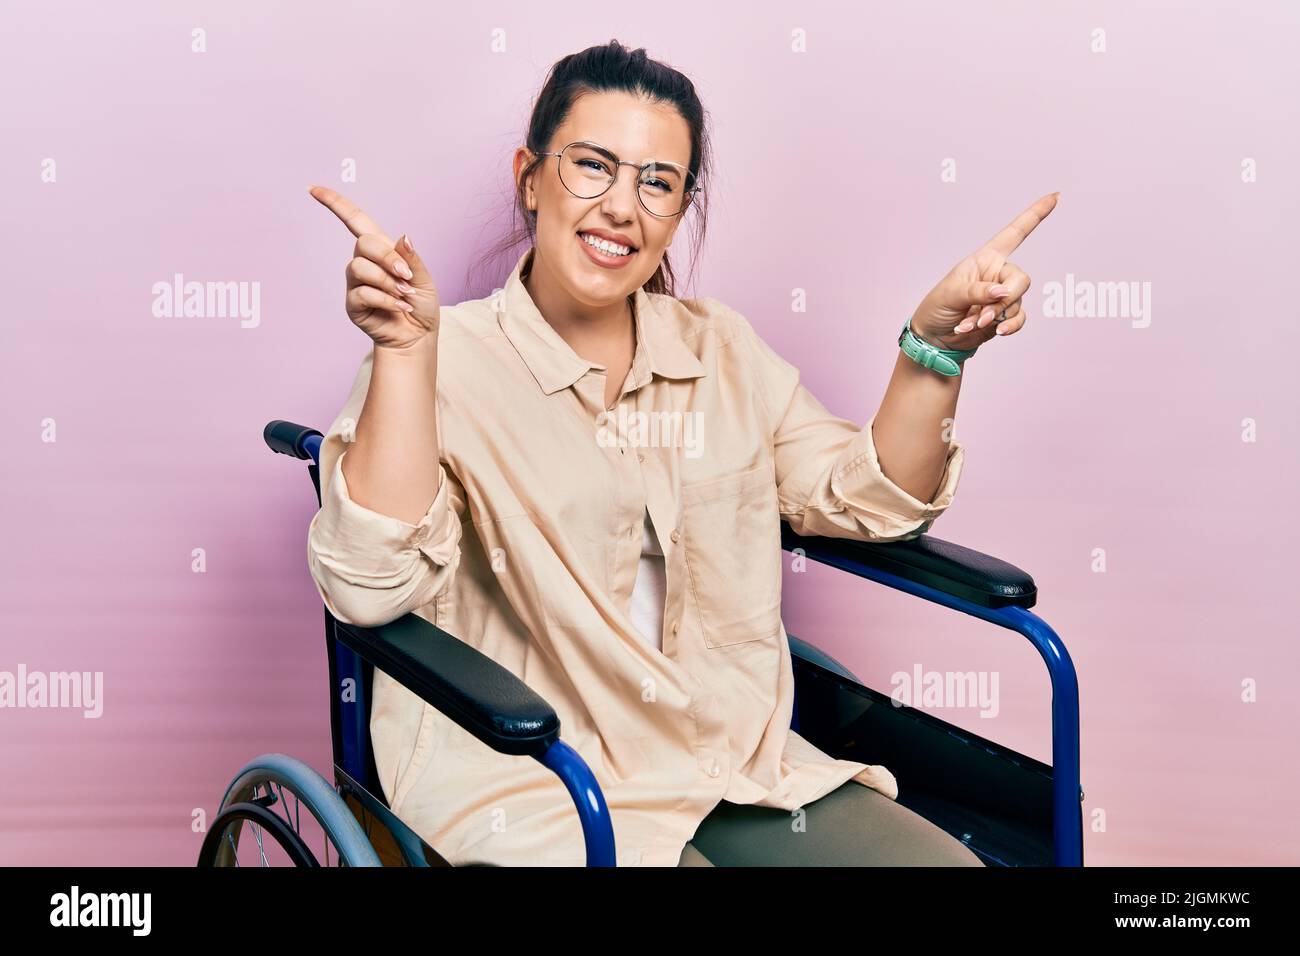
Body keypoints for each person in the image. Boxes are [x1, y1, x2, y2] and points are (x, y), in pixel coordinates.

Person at [305, 39, 1055, 867]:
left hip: (734, 764)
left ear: (678, 209)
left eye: (657, 182)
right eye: (592, 166)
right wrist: (408, 355)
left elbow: (867, 502)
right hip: (537, 783)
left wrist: (932, 352)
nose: (622, 206)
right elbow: (368, 587)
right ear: (530, 178)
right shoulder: (444, 357)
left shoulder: (721, 349)